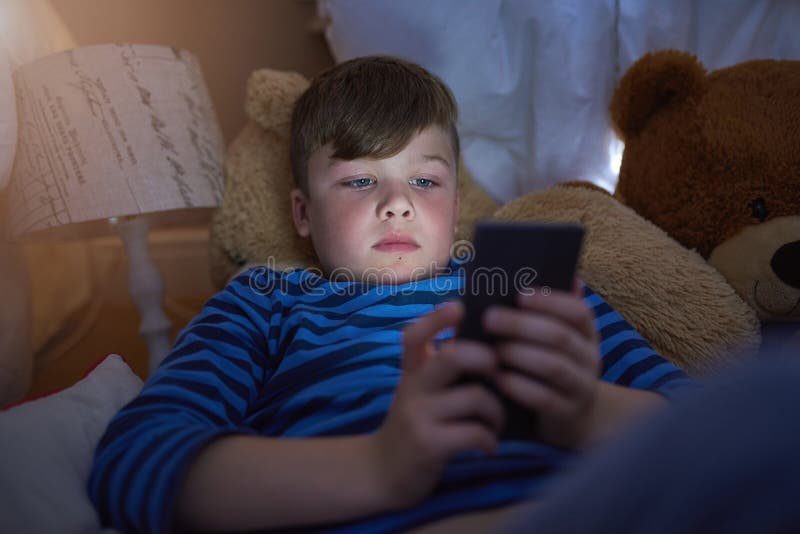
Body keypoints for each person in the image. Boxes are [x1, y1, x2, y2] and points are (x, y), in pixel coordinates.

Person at [88, 56, 693, 533]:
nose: (397, 202)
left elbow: (710, 419)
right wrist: (380, 467)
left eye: (425, 180)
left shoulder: (523, 283)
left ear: (456, 207)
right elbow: (138, 455)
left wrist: (584, 411)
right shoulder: (266, 299)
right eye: (358, 180)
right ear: (302, 212)